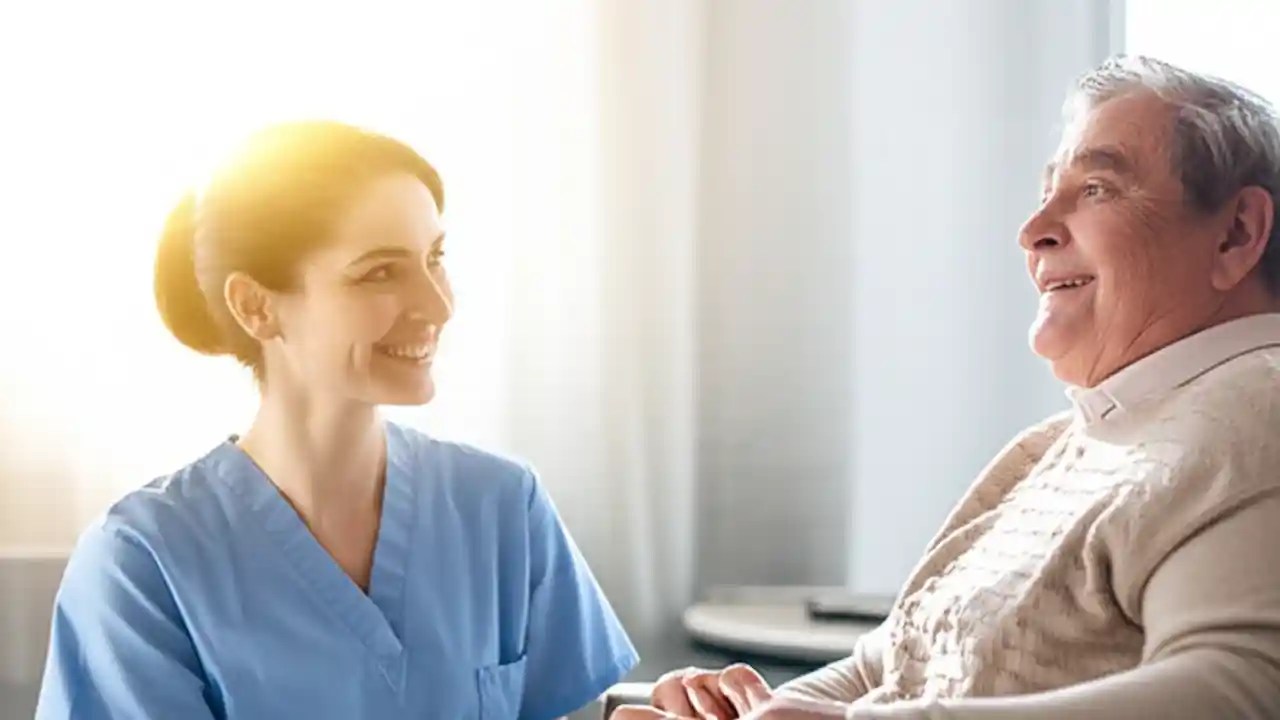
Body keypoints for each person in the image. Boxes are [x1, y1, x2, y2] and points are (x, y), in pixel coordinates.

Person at [616, 55, 1280, 720]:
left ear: (1236, 234)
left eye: (1097, 189)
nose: (1033, 231)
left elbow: (1232, 692)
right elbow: (891, 659)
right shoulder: (1053, 449)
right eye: (1048, 190)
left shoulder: (1259, 408)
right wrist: (753, 711)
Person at [36, 121, 638, 719]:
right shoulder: (142, 564)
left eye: (435, 258)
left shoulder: (501, 506)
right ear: (256, 306)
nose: (439, 304)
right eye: (381, 271)